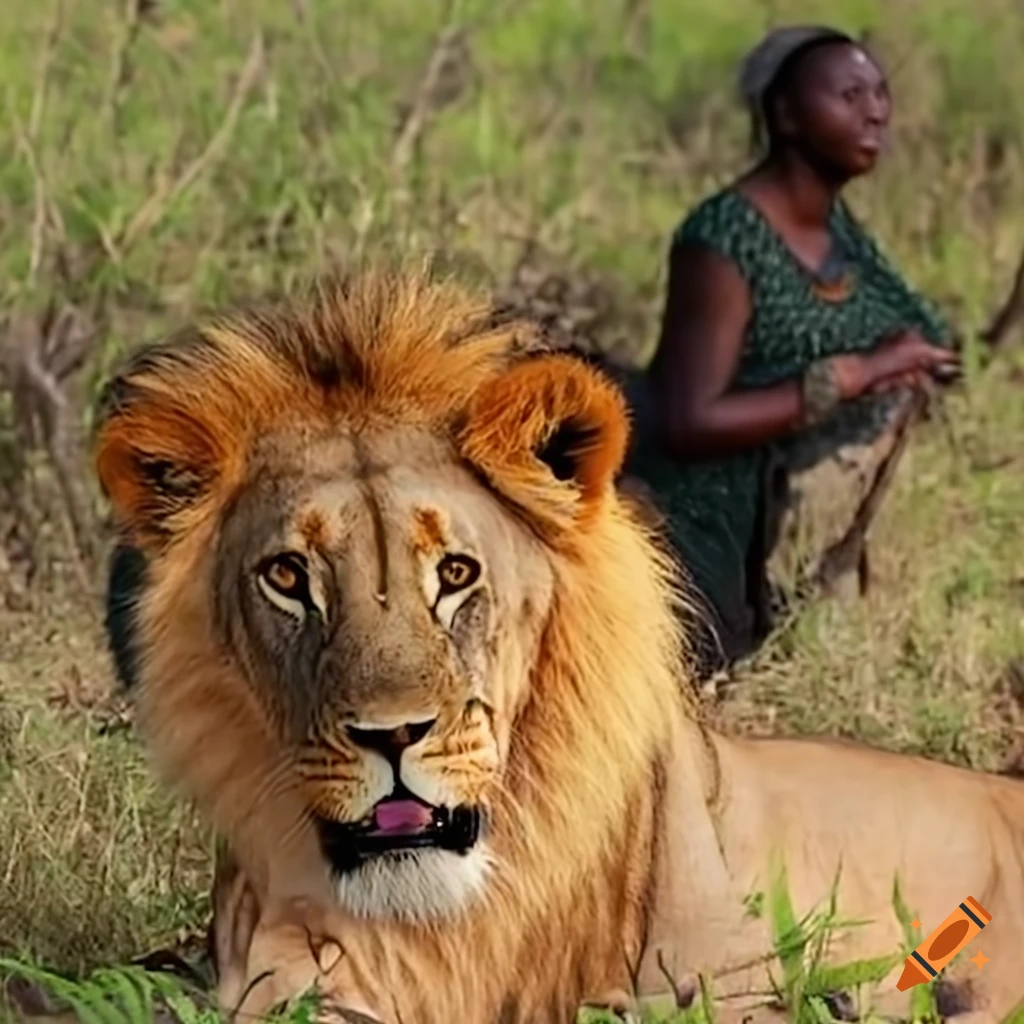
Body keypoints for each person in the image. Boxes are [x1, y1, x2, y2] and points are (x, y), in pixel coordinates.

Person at [620, 25, 961, 679]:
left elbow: (921, 327)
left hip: (803, 517)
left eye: (881, 92)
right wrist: (858, 374)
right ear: (785, 114)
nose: (877, 110)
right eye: (850, 93)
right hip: (715, 512)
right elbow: (690, 422)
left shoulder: (836, 227)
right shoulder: (724, 239)